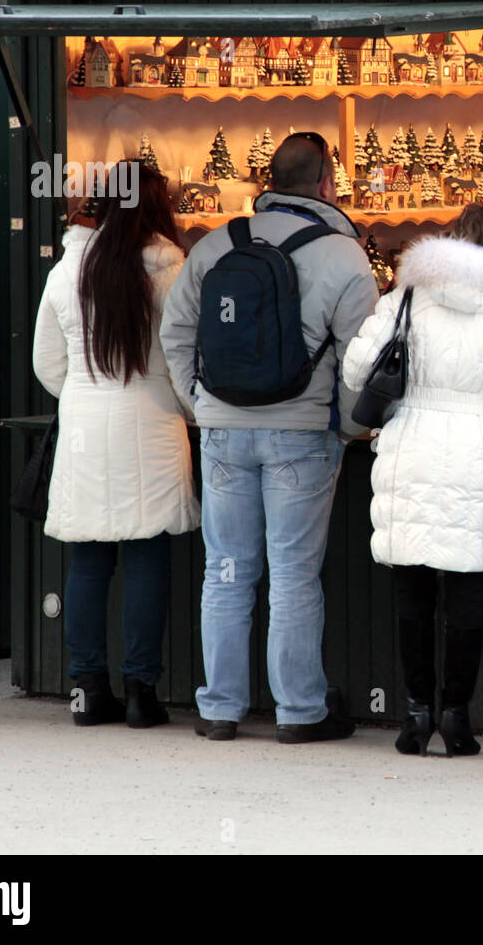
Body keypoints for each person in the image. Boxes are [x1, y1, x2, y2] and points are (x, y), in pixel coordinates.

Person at [160, 132, 378, 744]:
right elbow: (364, 361)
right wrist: (353, 426)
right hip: (301, 435)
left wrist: (199, 405)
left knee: (225, 573)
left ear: (269, 181)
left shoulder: (216, 245)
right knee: (291, 576)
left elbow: (174, 332)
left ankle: (220, 708)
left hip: (224, 432)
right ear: (327, 183)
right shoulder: (344, 258)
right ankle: (299, 711)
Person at [343, 204, 483, 757]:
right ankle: (456, 721)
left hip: (409, 446)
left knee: (412, 593)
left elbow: (356, 370)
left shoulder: (405, 296)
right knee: (467, 594)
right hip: (473, 454)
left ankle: (414, 717)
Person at [32, 160, 199, 729]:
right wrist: (194, 411)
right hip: (152, 425)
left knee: (89, 558)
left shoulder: (66, 269)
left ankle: (87, 692)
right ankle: (140, 695)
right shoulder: (170, 267)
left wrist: (82, 392)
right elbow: (181, 361)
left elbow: (47, 364)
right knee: (148, 557)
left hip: (83, 426)